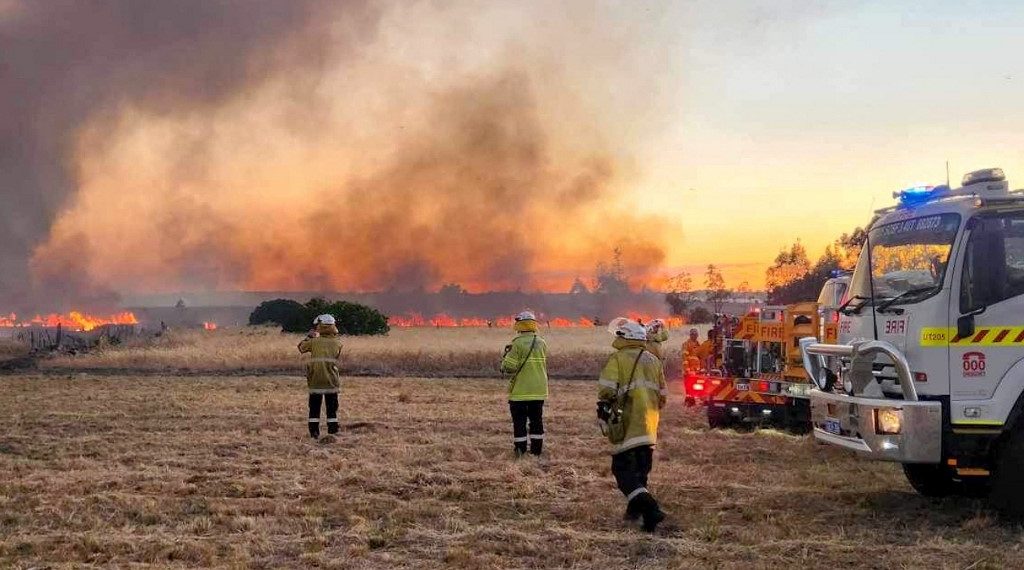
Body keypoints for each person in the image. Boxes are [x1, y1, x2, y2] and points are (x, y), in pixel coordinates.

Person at [597, 320, 667, 532]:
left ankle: (651, 509)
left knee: (623, 472)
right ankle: (638, 516)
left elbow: (607, 390)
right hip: (649, 427)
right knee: (640, 473)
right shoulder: (654, 360)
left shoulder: (618, 359)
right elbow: (662, 397)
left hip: (628, 424)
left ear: (625, 337)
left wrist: (605, 407)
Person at [500, 310, 549, 457]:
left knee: (520, 422)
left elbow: (509, 367)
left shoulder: (517, 344)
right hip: (539, 389)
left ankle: (520, 451)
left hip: (521, 391)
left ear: (519, 325)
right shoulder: (542, 343)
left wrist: (504, 361)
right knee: (536, 421)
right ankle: (536, 451)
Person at [298, 314, 343, 439]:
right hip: (331, 381)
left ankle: (314, 433)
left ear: (321, 325)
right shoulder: (338, 343)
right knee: (332, 409)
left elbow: (301, 348)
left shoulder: (313, 342)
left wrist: (309, 336)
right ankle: (333, 432)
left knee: (314, 409)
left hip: (315, 380)